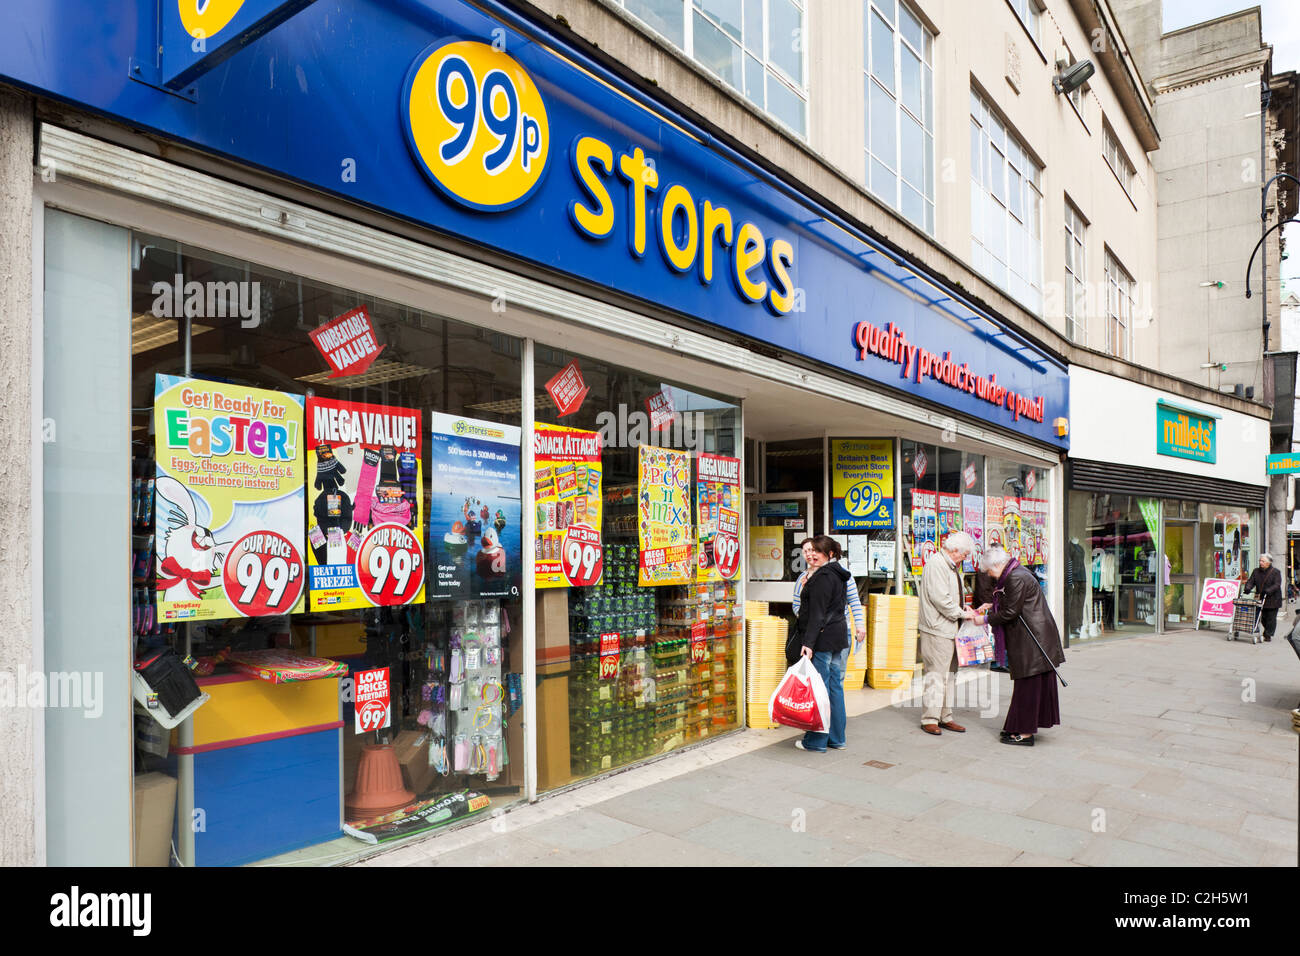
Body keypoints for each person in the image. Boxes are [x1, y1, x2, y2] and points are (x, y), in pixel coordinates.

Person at [975, 547, 1066, 746]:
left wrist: (983, 619)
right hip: (1035, 637)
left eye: (989, 570)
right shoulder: (1018, 572)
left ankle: (1024, 733)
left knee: (1028, 687)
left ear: (997, 565)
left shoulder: (1015, 577)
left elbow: (1010, 612)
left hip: (1032, 640)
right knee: (1030, 687)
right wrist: (991, 606)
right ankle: (1021, 726)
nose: (989, 574)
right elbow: (1014, 603)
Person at [792, 535, 852, 753]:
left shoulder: (824, 576)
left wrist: (808, 643)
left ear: (830, 554)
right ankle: (837, 738)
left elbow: (817, 613)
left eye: (817, 551)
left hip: (823, 640)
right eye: (809, 551)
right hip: (837, 637)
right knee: (834, 688)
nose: (811, 555)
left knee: (820, 689)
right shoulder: (836, 574)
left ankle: (816, 741)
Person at [917, 531, 977, 736]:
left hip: (950, 628)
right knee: (936, 675)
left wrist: (964, 612)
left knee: (949, 675)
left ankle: (945, 716)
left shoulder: (950, 566)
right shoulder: (937, 564)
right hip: (937, 629)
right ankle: (930, 718)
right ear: (953, 551)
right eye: (964, 554)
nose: (966, 558)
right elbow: (941, 599)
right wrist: (962, 613)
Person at [793, 537, 866, 672]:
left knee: (835, 675)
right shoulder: (803, 578)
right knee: (823, 676)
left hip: (837, 631)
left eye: (813, 550)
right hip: (814, 633)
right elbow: (797, 605)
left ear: (828, 553)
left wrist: (860, 625)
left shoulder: (841, 575)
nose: (810, 554)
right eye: (805, 552)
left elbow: (854, 601)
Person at [1242, 553, 1283, 642]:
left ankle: (1268, 634)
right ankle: (1264, 631)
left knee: (1271, 618)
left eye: (1263, 561)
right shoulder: (1256, 571)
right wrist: (1248, 588)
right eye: (1260, 561)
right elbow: (1251, 581)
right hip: (1260, 598)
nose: (1260, 563)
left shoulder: (1275, 572)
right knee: (1263, 617)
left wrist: (1268, 590)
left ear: (1269, 562)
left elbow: (1277, 584)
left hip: (1273, 599)